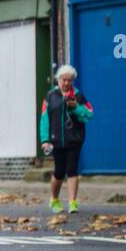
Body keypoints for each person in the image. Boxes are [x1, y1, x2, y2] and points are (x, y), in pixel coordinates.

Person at [39, 65, 93, 214]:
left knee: (72, 170)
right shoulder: (51, 96)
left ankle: (72, 202)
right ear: (58, 80)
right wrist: (45, 139)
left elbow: (89, 114)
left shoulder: (78, 96)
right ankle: (54, 199)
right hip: (56, 140)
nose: (67, 83)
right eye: (64, 80)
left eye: (70, 80)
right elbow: (44, 119)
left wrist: (76, 107)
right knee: (59, 171)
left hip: (74, 139)